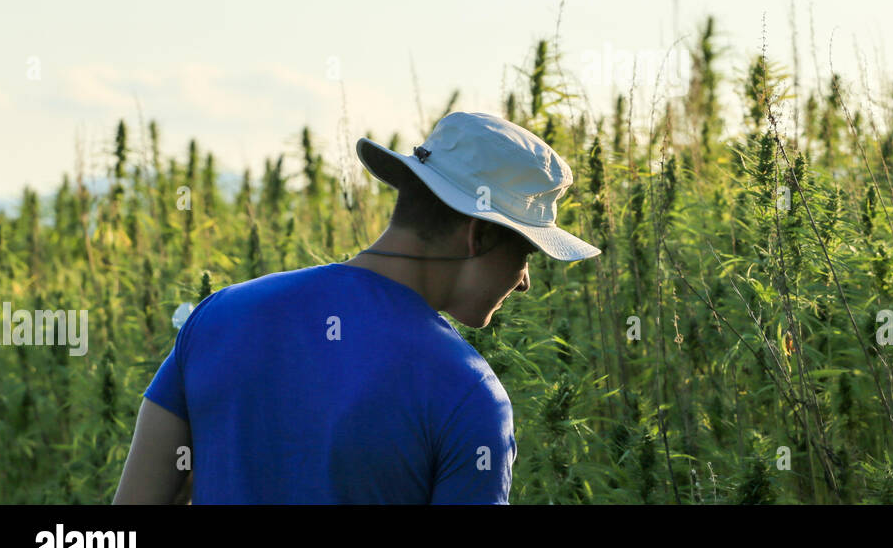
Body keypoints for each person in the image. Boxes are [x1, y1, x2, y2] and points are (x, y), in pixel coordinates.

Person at [113, 111, 601, 504]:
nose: (524, 282)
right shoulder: (466, 393)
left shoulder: (219, 317)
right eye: (526, 253)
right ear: (479, 236)